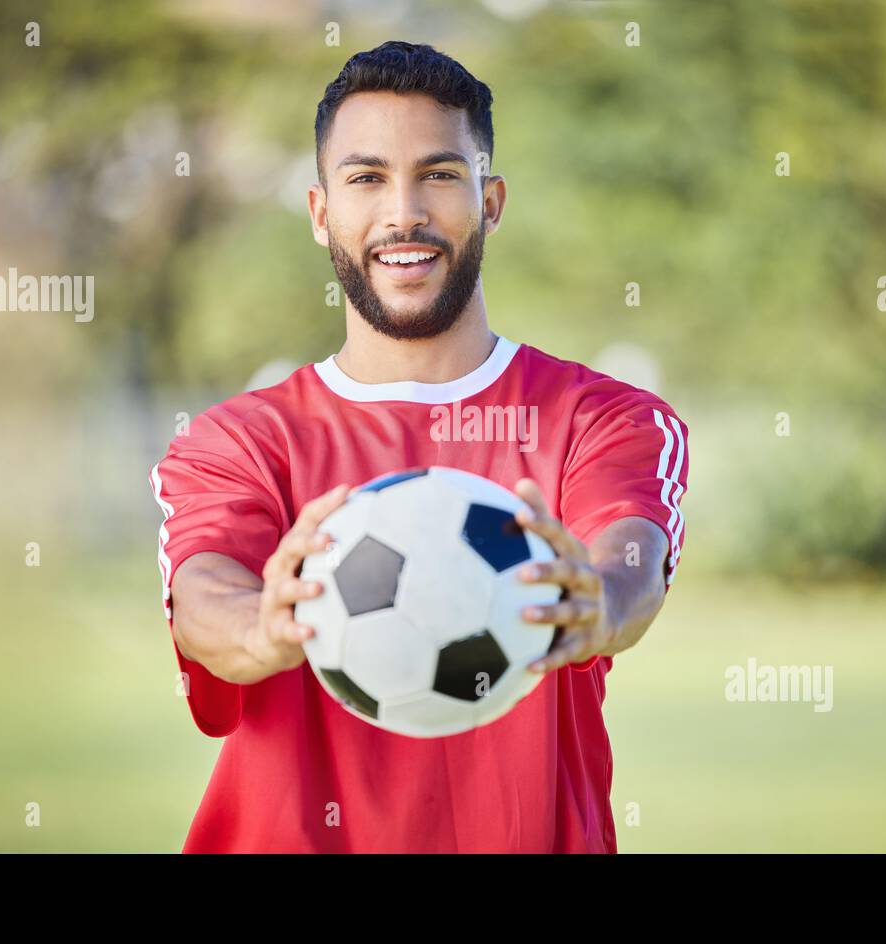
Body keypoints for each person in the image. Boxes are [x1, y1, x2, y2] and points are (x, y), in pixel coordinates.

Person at [149, 40, 688, 853]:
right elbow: (203, 594)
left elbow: (629, 554)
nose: (404, 213)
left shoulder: (600, 417)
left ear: (492, 201)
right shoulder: (237, 440)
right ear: (321, 211)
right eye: (366, 178)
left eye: (439, 174)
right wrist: (261, 626)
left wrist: (603, 599)